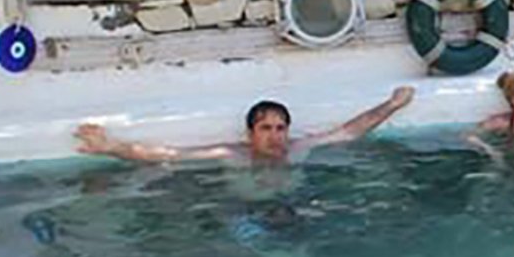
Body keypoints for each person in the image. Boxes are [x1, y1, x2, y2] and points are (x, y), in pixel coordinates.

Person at [73, 86, 415, 165]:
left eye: (280, 128)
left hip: (291, 213)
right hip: (247, 217)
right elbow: (170, 154)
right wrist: (112, 147)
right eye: (266, 128)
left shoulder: (300, 147)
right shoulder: (231, 155)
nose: (275, 136)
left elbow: (350, 131)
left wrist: (392, 104)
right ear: (250, 133)